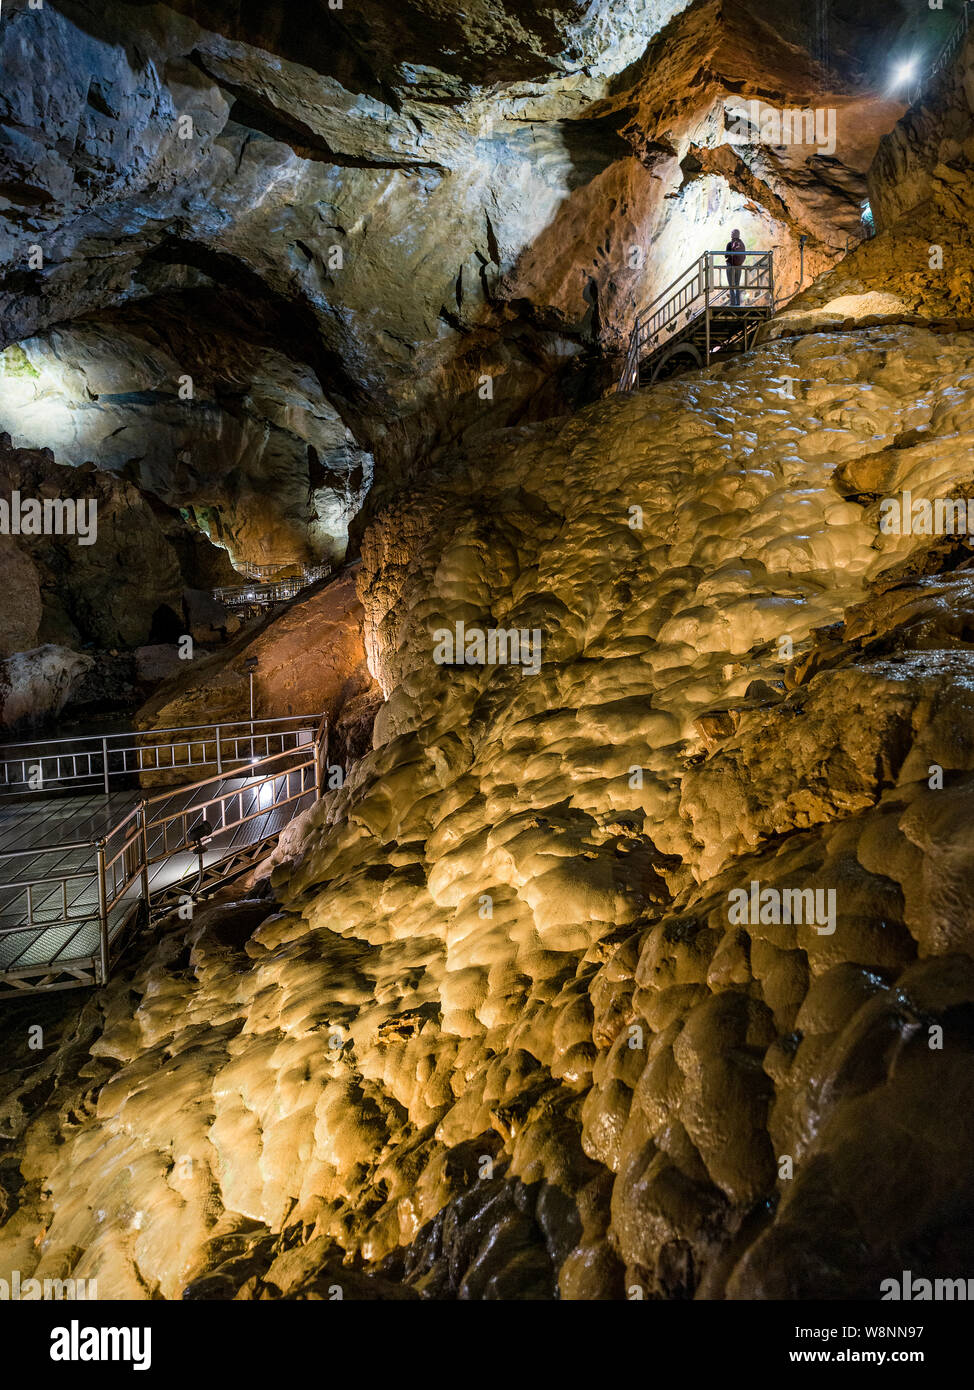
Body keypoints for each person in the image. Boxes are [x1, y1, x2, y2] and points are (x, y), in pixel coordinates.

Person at [725, 228, 746, 306]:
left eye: (732, 233)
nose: (731, 234)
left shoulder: (729, 244)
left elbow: (726, 255)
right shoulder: (742, 244)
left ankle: (732, 303)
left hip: (730, 265)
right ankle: (738, 303)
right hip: (739, 266)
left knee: (731, 285)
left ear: (733, 235)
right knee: (737, 284)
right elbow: (744, 255)